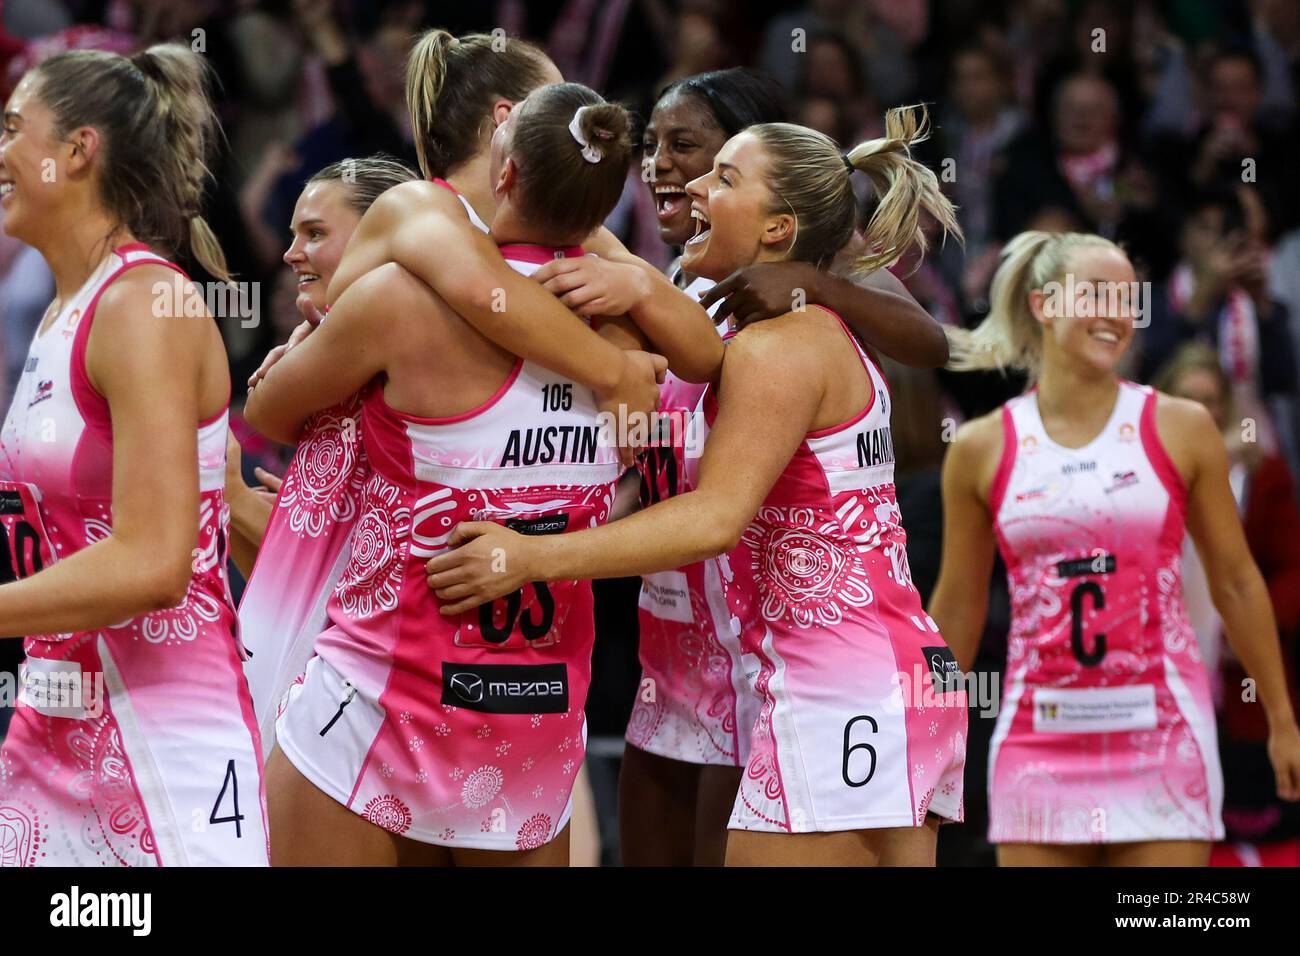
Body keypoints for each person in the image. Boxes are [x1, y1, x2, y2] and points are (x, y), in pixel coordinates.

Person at [427, 107, 968, 866]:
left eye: (724, 175)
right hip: (854, 676)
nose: (691, 183)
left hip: (840, 686)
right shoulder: (742, 321)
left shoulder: (781, 345)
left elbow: (715, 518)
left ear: (777, 230)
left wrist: (531, 558)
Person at [246, 82, 646, 866]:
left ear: (505, 166)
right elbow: (702, 359)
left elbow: (267, 414)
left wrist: (310, 343)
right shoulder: (636, 315)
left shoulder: (403, 295)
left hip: (376, 697)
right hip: (530, 713)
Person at [597, 65, 951, 866]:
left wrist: (807, 283)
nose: (657, 164)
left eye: (687, 147)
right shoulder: (669, 282)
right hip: (671, 631)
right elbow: (661, 472)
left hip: (771, 646)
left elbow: (930, 342)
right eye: (650, 146)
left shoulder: (798, 295)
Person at [929, 230, 1300, 866]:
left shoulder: (1181, 426)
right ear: (1045, 304)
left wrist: (1281, 718)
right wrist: (924, 732)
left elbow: (1236, 581)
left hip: (1163, 729)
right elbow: (958, 609)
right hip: (1038, 735)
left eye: (1130, 300)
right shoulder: (980, 446)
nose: (1117, 315)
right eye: (1097, 294)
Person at [0, 44, 267, 866]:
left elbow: (155, 562)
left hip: (164, 747)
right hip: (55, 720)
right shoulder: (62, 312)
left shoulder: (145, 303)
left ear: (77, 150)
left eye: (13, 128)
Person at [230, 156, 417, 749]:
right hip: (298, 637)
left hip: (366, 668)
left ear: (379, 236)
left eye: (314, 234)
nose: (289, 253)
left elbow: (262, 410)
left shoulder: (404, 337)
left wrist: (231, 498)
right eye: (292, 235)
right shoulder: (325, 335)